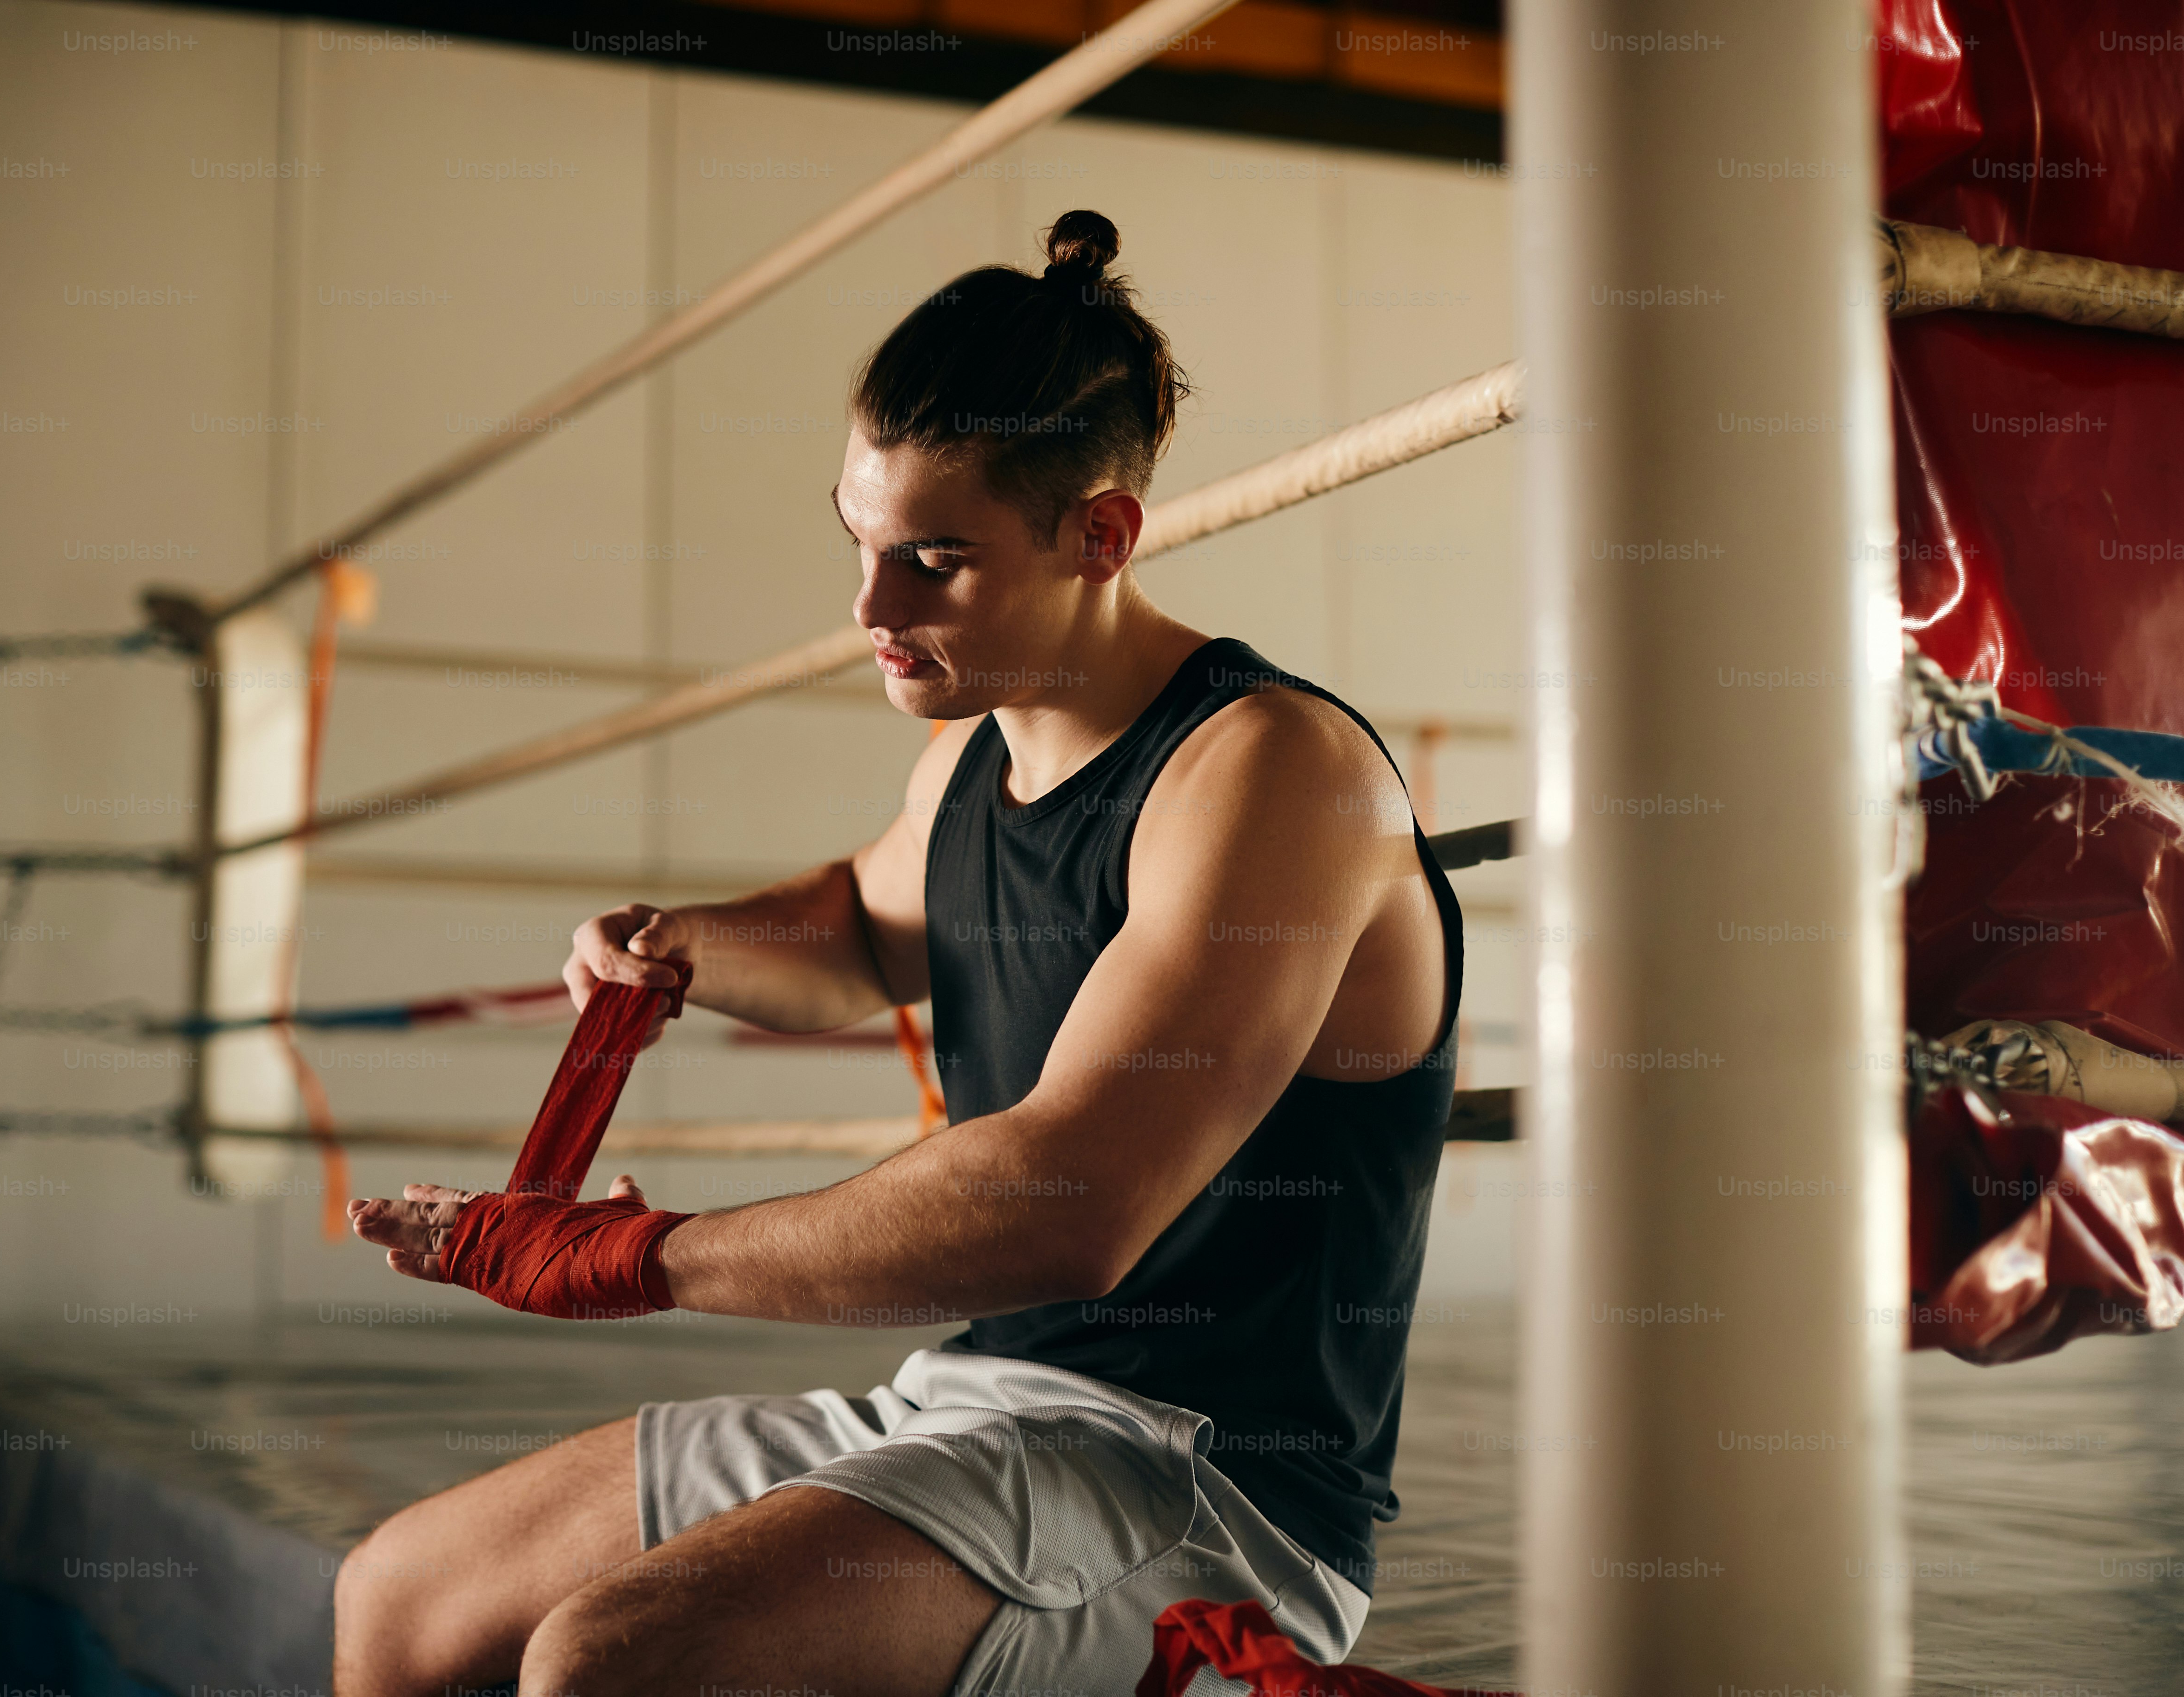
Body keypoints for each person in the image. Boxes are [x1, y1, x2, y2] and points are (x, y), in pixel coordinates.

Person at [335, 209, 1464, 1697]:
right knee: (399, 1597)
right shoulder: (971, 760)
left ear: (1101, 535)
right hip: (970, 1410)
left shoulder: (1265, 774)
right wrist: (684, 947)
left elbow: (1069, 1204)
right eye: (861, 544)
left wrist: (637, 1261)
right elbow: (862, 933)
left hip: (1209, 1491)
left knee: (613, 1663)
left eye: (935, 560)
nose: (873, 610)